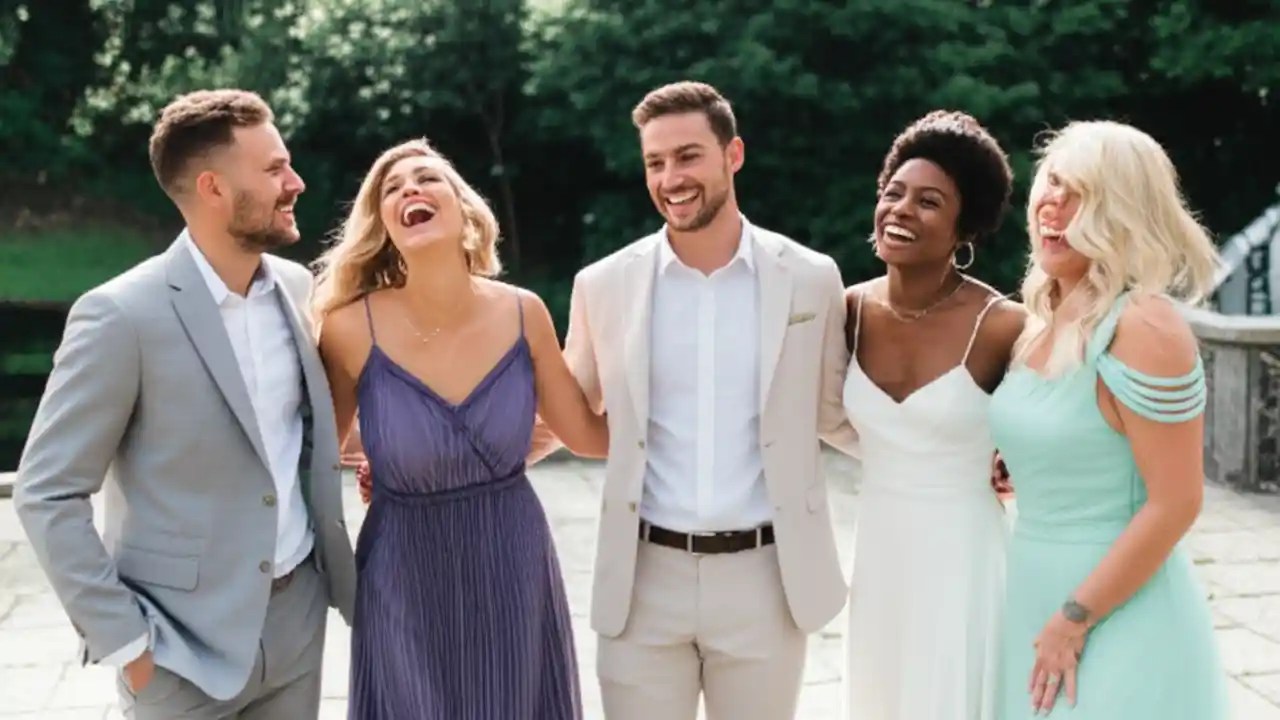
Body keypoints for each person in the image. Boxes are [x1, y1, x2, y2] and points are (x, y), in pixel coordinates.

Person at [13, 89, 356, 719]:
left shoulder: (298, 287)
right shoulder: (120, 315)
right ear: (214, 188)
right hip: (178, 651)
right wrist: (128, 643)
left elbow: (299, 439)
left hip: (297, 625)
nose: (296, 182)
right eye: (274, 168)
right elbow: (46, 491)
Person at [531, 80, 859, 720]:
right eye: (655, 162)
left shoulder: (811, 278)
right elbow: (562, 415)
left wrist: (970, 457)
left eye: (687, 156)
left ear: (732, 155)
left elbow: (838, 413)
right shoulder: (603, 284)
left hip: (769, 577)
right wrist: (448, 469)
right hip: (642, 578)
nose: (670, 177)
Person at [313, 138, 607, 720]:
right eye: (391, 189)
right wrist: (396, 458)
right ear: (383, 225)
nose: (410, 190)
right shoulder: (348, 329)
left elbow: (589, 436)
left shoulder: (524, 312)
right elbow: (315, 457)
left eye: (427, 179)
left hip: (511, 558)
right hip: (402, 567)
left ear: (464, 210)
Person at [990, 120, 1229, 718]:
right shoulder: (1043, 316)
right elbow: (1081, 433)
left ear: (1122, 212)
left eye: (1081, 193)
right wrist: (1017, 459)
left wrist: (1075, 619)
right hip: (1029, 591)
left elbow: (1177, 502)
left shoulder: (1144, 324)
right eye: (1051, 184)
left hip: (1116, 610)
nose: (1053, 204)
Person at [841, 110, 1025, 719]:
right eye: (893, 193)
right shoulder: (845, 310)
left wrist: (1018, 460)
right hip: (879, 550)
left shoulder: (1003, 325)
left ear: (963, 227)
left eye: (928, 201)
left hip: (965, 556)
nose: (900, 209)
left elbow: (1054, 425)